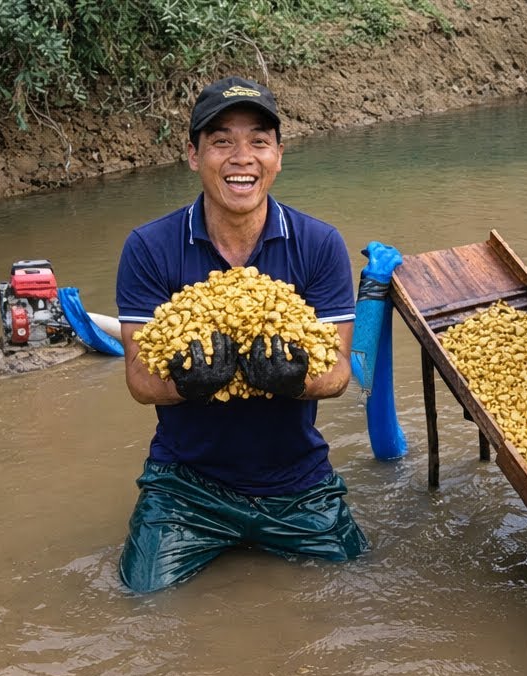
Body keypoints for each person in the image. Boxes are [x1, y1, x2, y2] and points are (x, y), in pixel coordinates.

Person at [114, 76, 368, 593]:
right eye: (221, 140)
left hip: (296, 482)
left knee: (357, 583)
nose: (241, 157)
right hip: (187, 485)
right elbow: (140, 380)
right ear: (193, 154)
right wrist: (187, 385)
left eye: (258, 140)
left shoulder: (317, 244)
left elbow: (339, 372)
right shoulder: (149, 247)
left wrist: (292, 380)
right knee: (139, 594)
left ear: (278, 154)